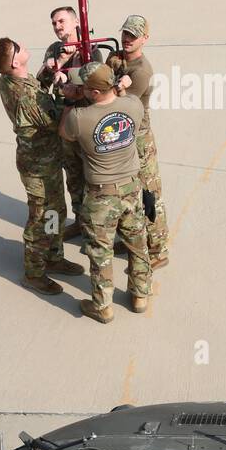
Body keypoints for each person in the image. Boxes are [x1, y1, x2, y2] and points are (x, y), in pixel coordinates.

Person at [0, 37, 84, 294]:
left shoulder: (10, 78)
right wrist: (71, 99)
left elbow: (38, 90)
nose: (22, 45)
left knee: (56, 211)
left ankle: (53, 256)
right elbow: (56, 124)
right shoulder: (25, 96)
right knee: (40, 218)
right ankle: (34, 272)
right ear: (15, 61)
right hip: (38, 166)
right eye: (17, 48)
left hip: (46, 160)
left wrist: (56, 67)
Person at [59, 63, 152, 323]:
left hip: (101, 195)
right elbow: (124, 99)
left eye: (85, 86)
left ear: (94, 92)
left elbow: (64, 133)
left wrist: (70, 100)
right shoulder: (133, 105)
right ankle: (140, 294)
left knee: (100, 252)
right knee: (137, 243)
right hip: (131, 187)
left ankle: (102, 306)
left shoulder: (80, 118)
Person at [38, 6, 107, 241]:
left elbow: (98, 85)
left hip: (87, 123)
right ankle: (79, 220)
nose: (58, 27)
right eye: (54, 23)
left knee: (94, 177)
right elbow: (41, 83)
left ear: (76, 21)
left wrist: (71, 81)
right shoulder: (54, 49)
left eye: (62, 21)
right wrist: (58, 62)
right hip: (66, 123)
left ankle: (98, 227)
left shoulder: (92, 50)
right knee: (73, 175)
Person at [108, 14, 169, 269]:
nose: (127, 38)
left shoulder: (141, 71)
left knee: (149, 194)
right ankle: (138, 239)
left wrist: (118, 87)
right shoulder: (118, 58)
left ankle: (158, 249)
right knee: (132, 192)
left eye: (133, 35)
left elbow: (121, 105)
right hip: (125, 135)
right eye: (125, 33)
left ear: (145, 38)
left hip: (139, 138)